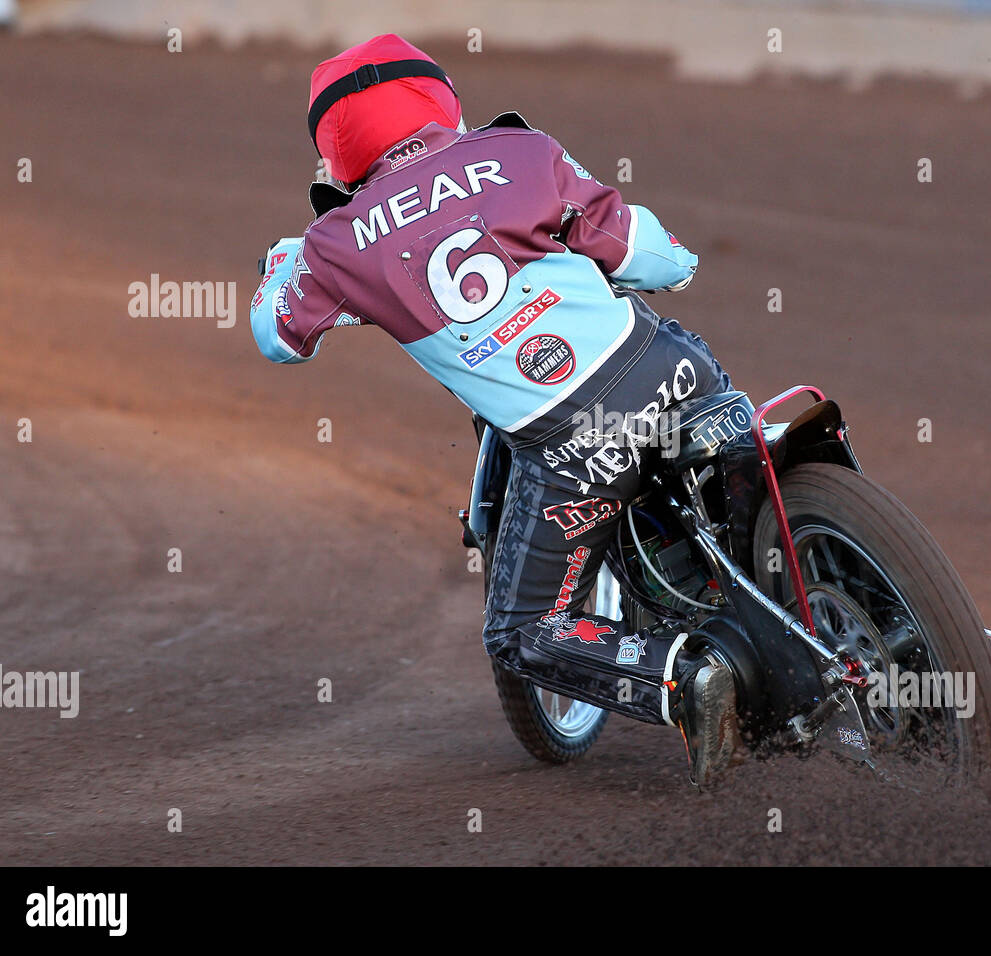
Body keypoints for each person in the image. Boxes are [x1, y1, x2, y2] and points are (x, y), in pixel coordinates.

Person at [250, 34, 738, 787]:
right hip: (670, 366)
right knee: (752, 463)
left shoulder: (334, 246)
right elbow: (649, 255)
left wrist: (284, 266)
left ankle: (683, 677)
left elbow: (278, 338)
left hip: (575, 445)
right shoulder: (520, 150)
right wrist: (680, 261)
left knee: (520, 636)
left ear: (335, 150)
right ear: (438, 98)